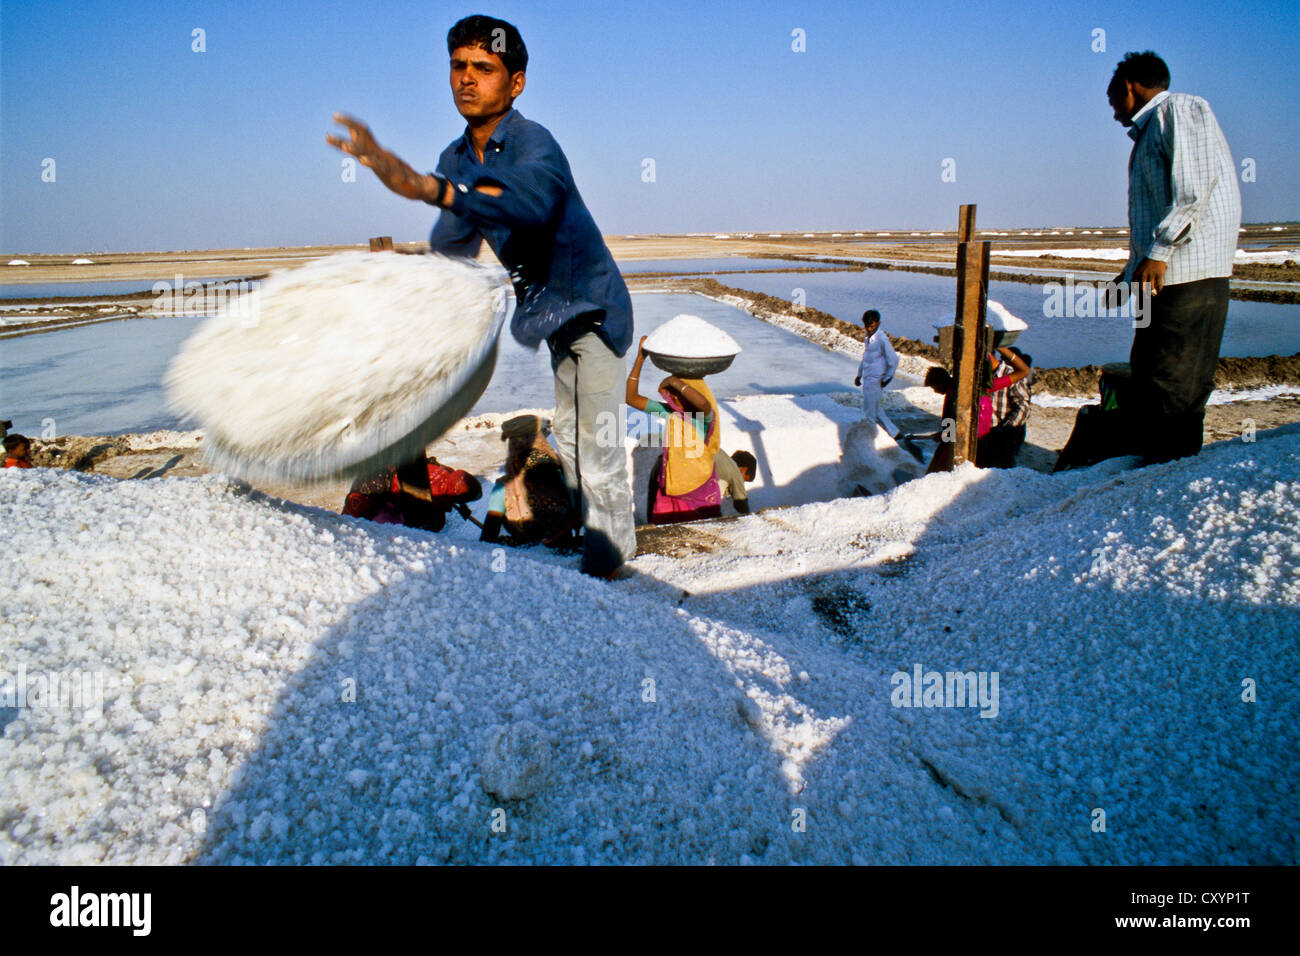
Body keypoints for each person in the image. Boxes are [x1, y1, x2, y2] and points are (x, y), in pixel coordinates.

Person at [327, 15, 636, 579]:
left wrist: (430, 188)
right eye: (458, 66)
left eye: (484, 69)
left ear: (515, 82)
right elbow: (455, 245)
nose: (467, 79)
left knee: (598, 447)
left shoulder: (533, 144)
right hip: (552, 317)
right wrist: (404, 279)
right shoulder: (457, 159)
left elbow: (529, 201)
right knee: (569, 436)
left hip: (594, 312)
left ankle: (610, 566)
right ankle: (589, 540)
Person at [1104, 51, 1241, 465]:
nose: (1113, 113)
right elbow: (1152, 215)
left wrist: (1159, 253)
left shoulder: (1181, 109)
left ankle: (1170, 475)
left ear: (1129, 85)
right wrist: (1130, 276)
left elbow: (1192, 193)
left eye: (1113, 101)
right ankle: (1149, 469)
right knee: (1147, 374)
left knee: (1174, 384)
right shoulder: (1148, 132)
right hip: (1162, 280)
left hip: (1188, 277)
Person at [626, 336, 722, 525]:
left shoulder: (703, 418)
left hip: (697, 491)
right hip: (669, 488)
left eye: (678, 396)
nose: (674, 400)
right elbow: (631, 398)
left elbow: (703, 403)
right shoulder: (671, 413)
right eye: (672, 396)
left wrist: (675, 381)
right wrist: (640, 358)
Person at [922, 348, 1030, 473]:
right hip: (983, 444)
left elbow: (948, 424)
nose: (935, 391)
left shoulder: (956, 392)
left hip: (980, 445)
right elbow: (1024, 370)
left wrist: (945, 438)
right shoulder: (985, 388)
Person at [480, 415, 580, 546]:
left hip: (528, 547)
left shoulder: (505, 487)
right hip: (562, 544)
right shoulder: (564, 473)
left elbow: (488, 537)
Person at [342, 455, 481, 532]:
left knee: (434, 522)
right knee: (348, 527)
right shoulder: (435, 489)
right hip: (374, 485)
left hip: (389, 485)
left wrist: (459, 504)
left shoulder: (447, 474)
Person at [983, 347, 1034, 468]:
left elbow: (1023, 408)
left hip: (1002, 437)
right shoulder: (985, 378)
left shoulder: (1006, 377)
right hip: (983, 437)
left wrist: (1002, 431)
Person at [853, 309, 899, 437]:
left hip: (876, 379)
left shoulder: (882, 339)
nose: (869, 328)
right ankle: (895, 433)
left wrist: (887, 378)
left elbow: (893, 360)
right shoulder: (868, 338)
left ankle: (870, 436)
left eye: (872, 326)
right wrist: (859, 375)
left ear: (879, 323)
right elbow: (866, 358)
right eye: (867, 326)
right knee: (876, 408)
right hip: (868, 378)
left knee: (869, 411)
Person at [715, 449, 756, 516]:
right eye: (743, 480)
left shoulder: (720, 458)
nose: (741, 483)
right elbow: (741, 503)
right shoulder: (733, 472)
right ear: (743, 469)